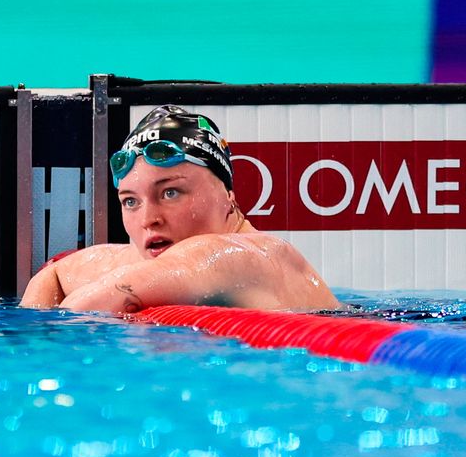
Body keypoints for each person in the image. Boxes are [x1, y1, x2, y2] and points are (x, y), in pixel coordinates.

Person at [20, 105, 344, 313]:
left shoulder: (246, 256)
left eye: (171, 192)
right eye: (131, 201)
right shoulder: (160, 258)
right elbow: (57, 273)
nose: (149, 219)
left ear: (228, 196)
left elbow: (92, 304)